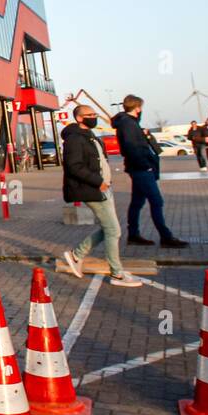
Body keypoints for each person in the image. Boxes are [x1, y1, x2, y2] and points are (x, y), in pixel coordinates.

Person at [61, 104, 141, 286]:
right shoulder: (74, 139)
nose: (93, 117)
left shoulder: (90, 136)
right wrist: (99, 182)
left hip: (103, 188)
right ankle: (116, 274)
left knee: (110, 228)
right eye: (89, 115)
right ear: (79, 118)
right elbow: (74, 166)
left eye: (94, 114)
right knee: (113, 230)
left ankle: (76, 255)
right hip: (92, 189)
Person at [112, 95, 188, 248]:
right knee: (156, 201)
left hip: (139, 168)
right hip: (141, 169)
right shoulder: (129, 125)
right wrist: (145, 165)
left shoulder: (128, 124)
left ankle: (133, 235)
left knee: (137, 202)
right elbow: (133, 147)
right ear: (137, 107)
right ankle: (165, 237)